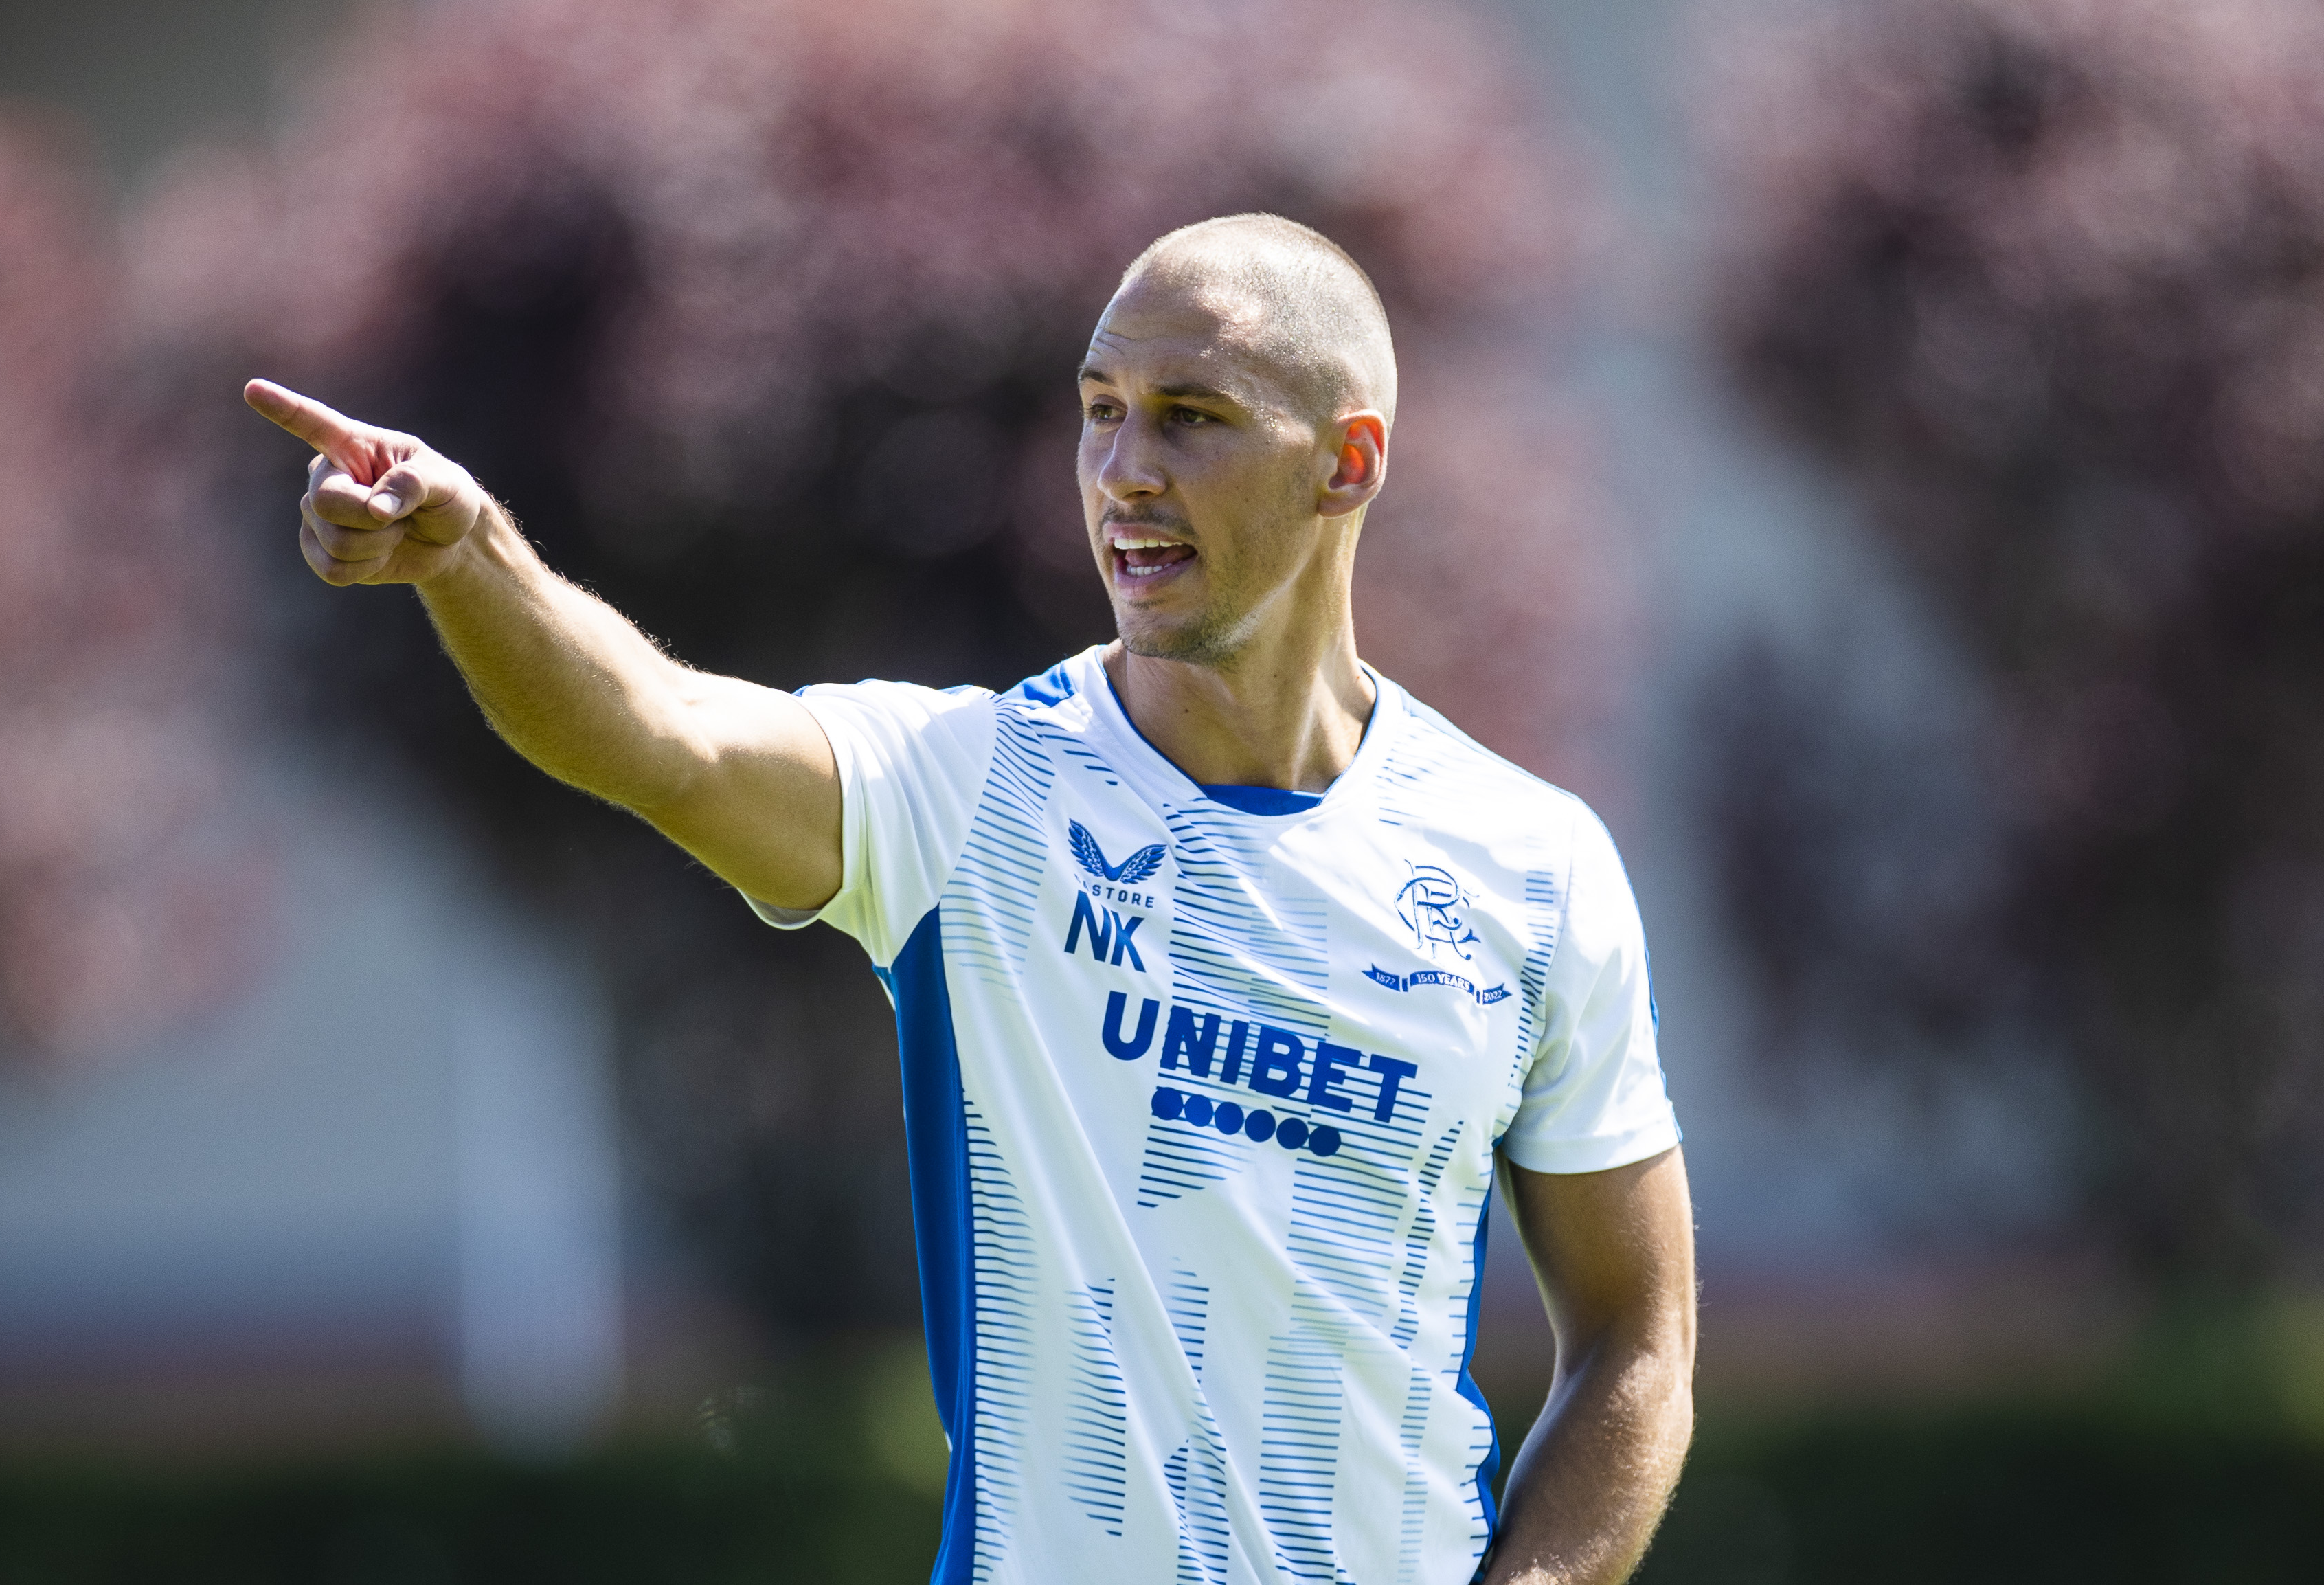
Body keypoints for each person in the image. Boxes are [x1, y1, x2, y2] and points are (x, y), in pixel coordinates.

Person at [247, 212, 1695, 1585]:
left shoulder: (1531, 863)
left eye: (1192, 415)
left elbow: (1638, 1335)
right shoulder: (970, 793)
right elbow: (661, 731)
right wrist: (474, 559)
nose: (1124, 465)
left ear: (1347, 462)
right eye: (1100, 407)